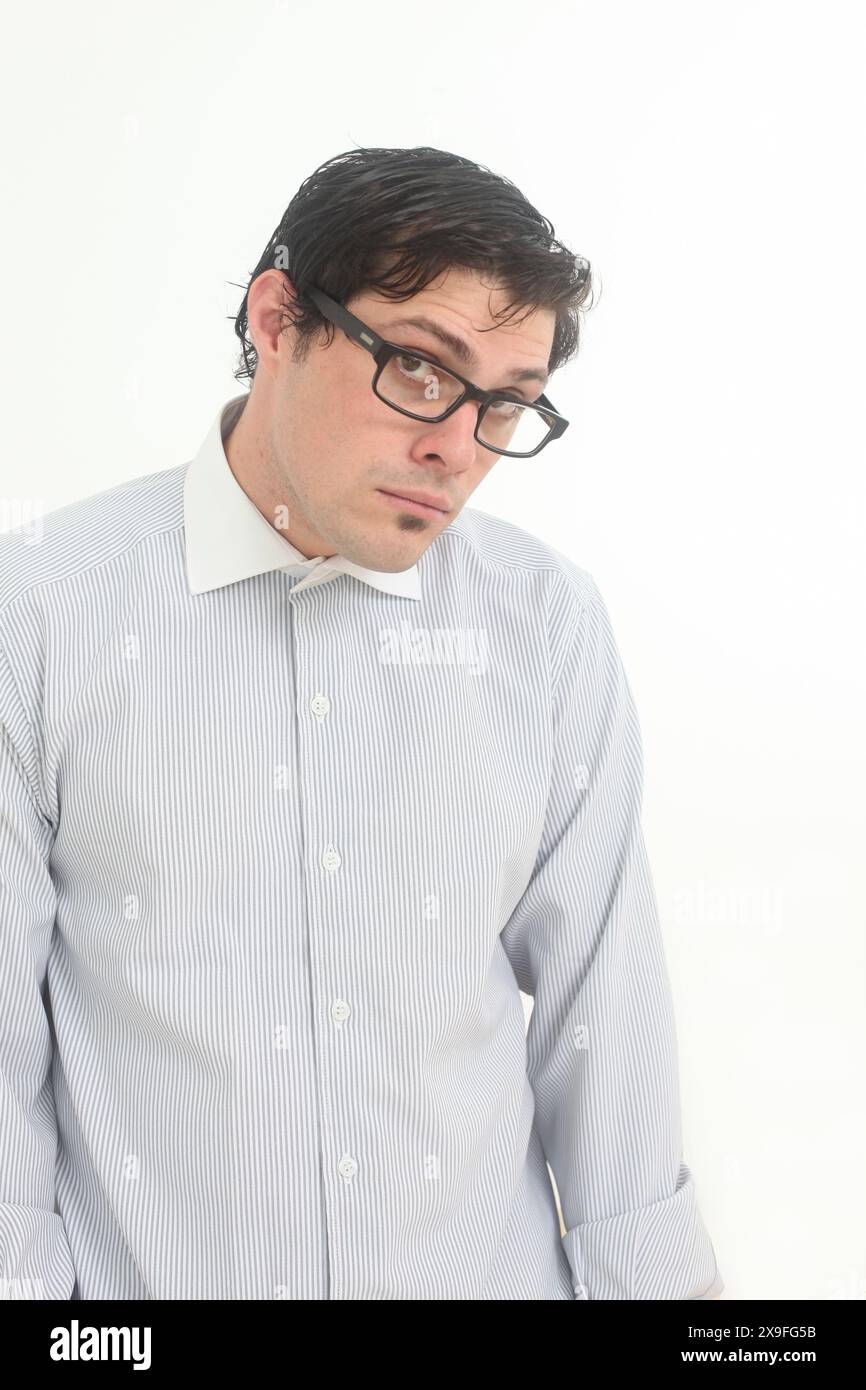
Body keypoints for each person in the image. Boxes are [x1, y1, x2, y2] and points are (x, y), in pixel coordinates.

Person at [0, 145, 723, 1300]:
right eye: (422, 372)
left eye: (505, 406)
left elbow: (605, 1018)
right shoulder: (39, 611)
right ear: (279, 317)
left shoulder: (543, 625)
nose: (455, 450)